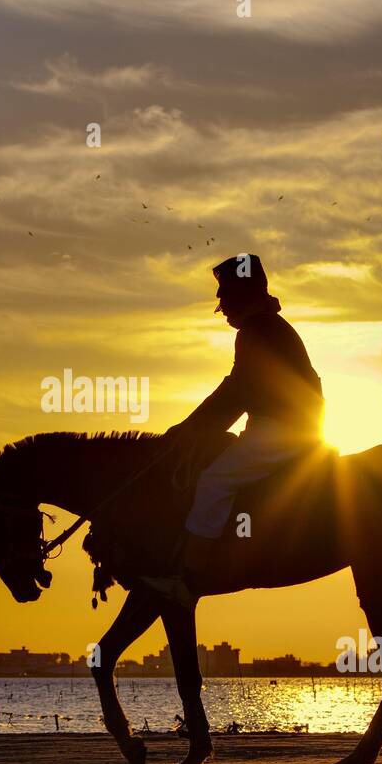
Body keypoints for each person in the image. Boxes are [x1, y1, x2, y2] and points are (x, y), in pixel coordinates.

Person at [142, 254, 324, 607]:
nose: (221, 305)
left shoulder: (258, 331)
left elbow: (237, 390)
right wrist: (194, 428)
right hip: (282, 426)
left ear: (242, 294)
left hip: (284, 430)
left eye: (225, 296)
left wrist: (188, 430)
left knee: (214, 481)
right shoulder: (265, 328)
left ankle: (188, 579)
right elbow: (237, 390)